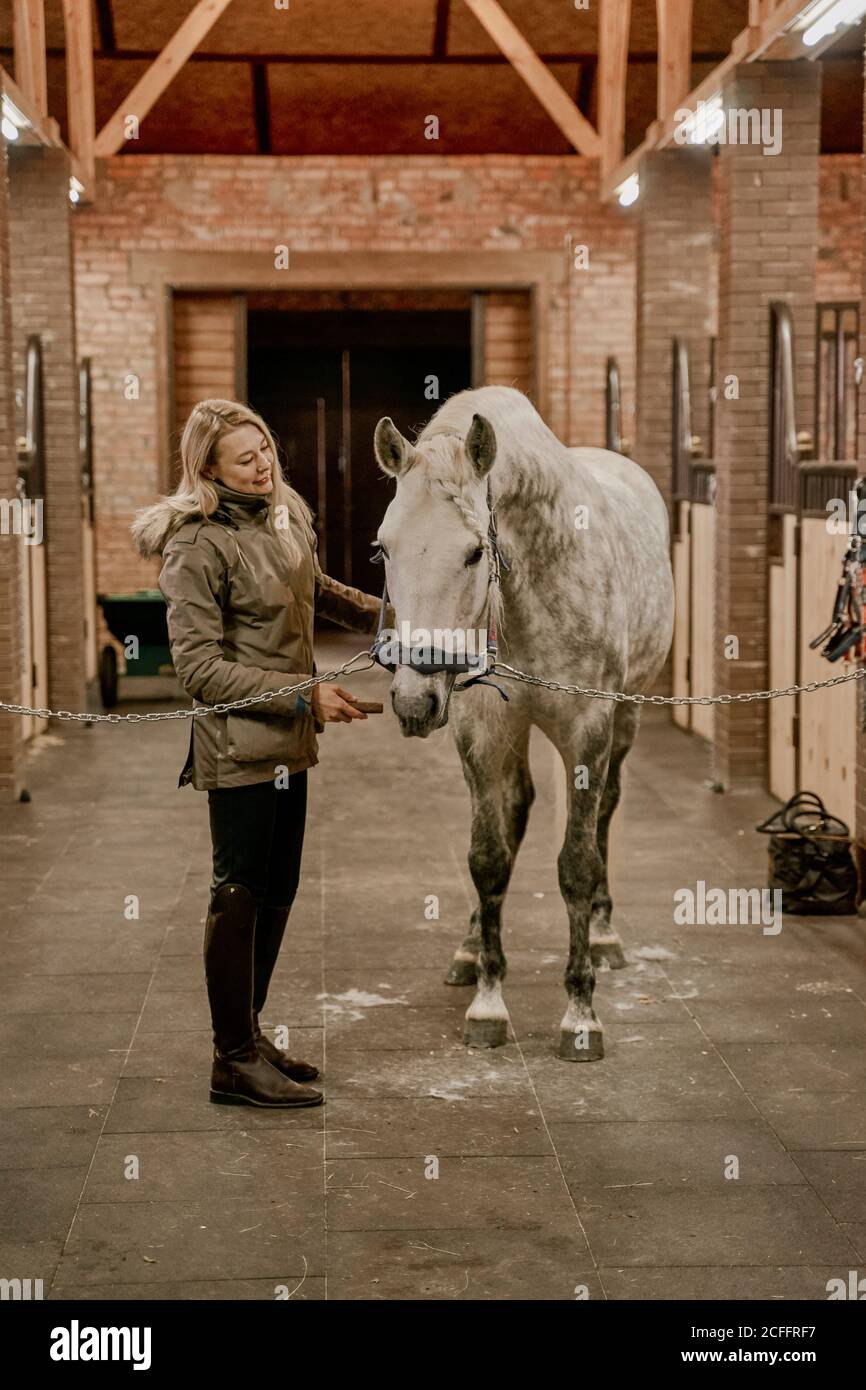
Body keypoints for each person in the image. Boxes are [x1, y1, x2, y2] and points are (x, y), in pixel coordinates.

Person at [132, 399, 390, 1109]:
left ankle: (248, 1032)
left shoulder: (282, 516)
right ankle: (233, 1059)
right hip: (240, 746)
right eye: (245, 459)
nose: (264, 465)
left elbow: (319, 592)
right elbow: (200, 671)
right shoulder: (196, 544)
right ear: (207, 468)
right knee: (239, 891)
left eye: (266, 450)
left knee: (279, 889)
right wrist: (306, 694)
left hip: (289, 745)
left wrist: (401, 622)